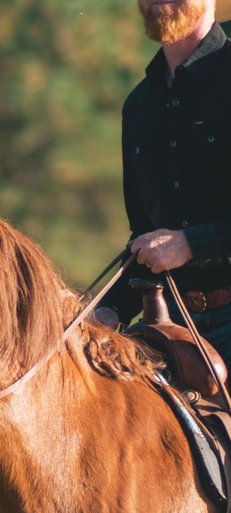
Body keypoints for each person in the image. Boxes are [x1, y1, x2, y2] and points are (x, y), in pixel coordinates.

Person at [96, 0, 231, 368]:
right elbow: (144, 237)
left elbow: (173, 245)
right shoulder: (138, 106)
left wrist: (191, 243)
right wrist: (108, 310)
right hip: (168, 324)